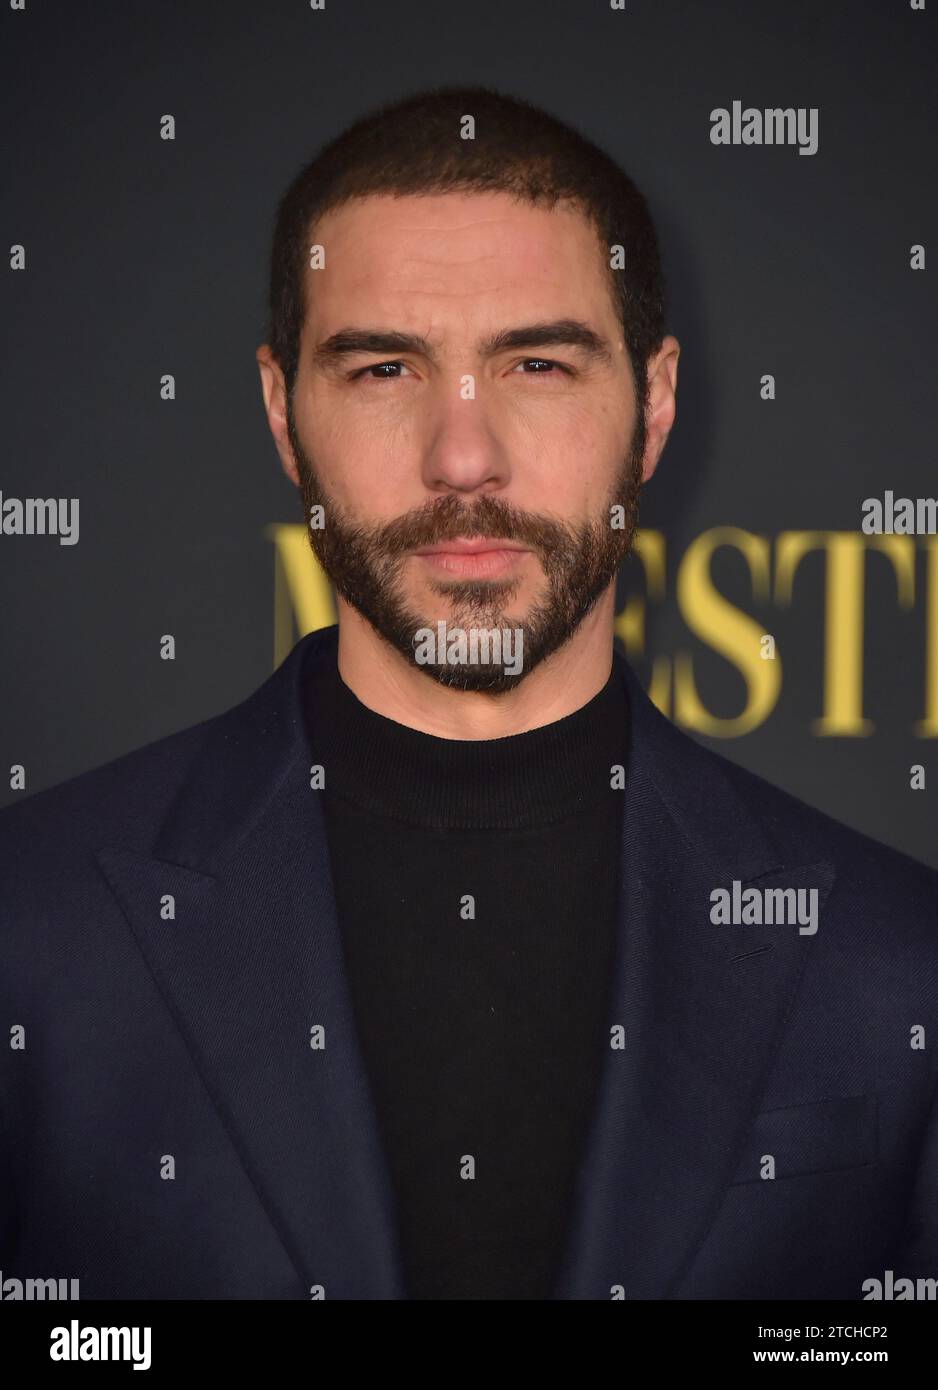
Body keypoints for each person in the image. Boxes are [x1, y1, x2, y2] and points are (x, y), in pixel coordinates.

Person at [1, 86, 936, 1301]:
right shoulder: (30, 930)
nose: (462, 458)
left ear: (651, 408)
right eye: (385, 367)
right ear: (284, 414)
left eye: (537, 363)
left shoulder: (891, 963)